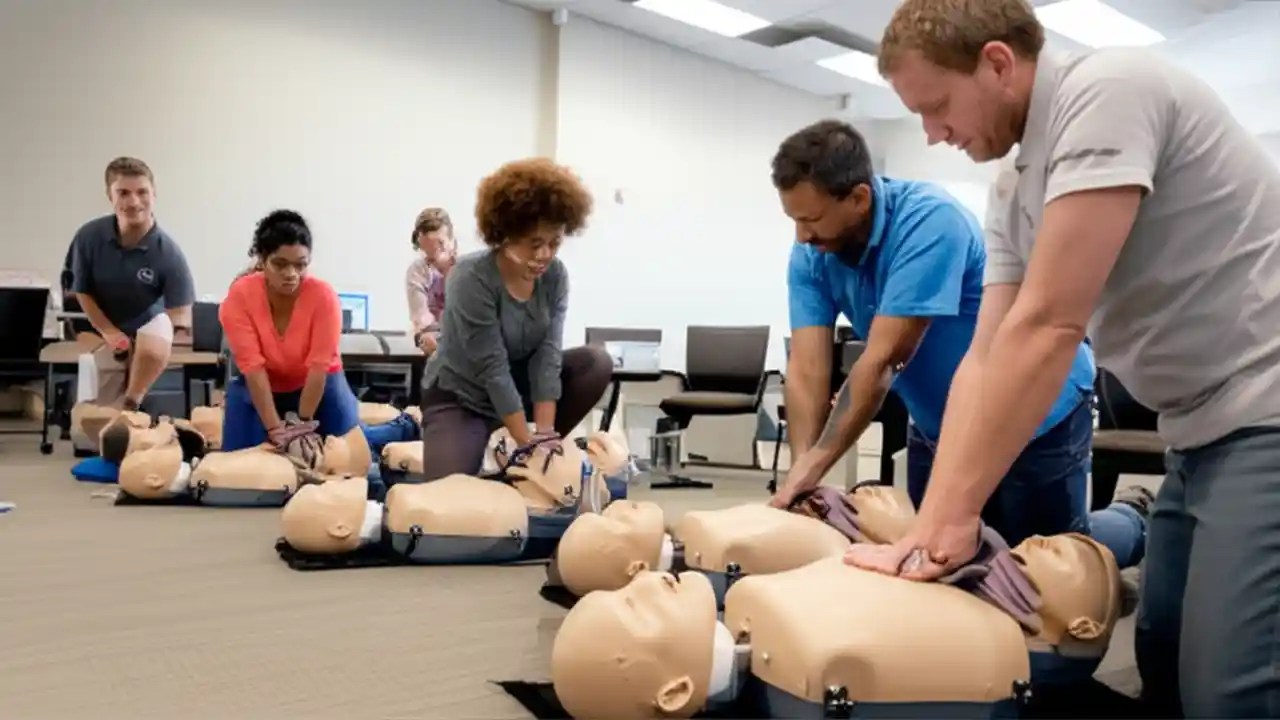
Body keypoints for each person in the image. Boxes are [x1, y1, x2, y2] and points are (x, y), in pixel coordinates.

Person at [846, 1, 1280, 716]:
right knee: (1162, 655)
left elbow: (1048, 325)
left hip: (1265, 415)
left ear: (996, 63)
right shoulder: (1016, 188)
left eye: (937, 107)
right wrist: (930, 524)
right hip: (1196, 434)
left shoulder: (1110, 89)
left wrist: (954, 520)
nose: (933, 132)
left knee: (1229, 692)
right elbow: (984, 357)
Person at [770, 120, 1147, 564]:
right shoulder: (812, 254)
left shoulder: (928, 221)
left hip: (1037, 411)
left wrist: (818, 464)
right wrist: (801, 467)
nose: (802, 236)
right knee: (937, 557)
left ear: (858, 198)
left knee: (1044, 564)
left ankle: (1136, 519)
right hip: (940, 424)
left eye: (811, 219)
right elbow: (807, 369)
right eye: (794, 220)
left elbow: (884, 360)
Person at [418, 158, 613, 481]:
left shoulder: (554, 277)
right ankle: (511, 450)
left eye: (554, 243)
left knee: (595, 363)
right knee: (449, 496)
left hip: (517, 384)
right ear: (505, 235)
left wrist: (544, 436)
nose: (544, 255)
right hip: (462, 394)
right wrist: (526, 445)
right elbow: (491, 367)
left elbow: (548, 356)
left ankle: (523, 456)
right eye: (534, 244)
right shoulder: (469, 277)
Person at [218, 210, 362, 453]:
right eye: (280, 264)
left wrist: (302, 425)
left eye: (300, 265)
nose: (291, 274)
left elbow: (318, 369)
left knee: (348, 455)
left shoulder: (324, 297)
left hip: (320, 383)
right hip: (263, 384)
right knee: (238, 459)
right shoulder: (240, 297)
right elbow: (253, 369)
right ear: (262, 260)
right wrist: (275, 430)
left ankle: (401, 427)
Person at [67, 156, 195, 410]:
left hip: (149, 338)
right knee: (98, 415)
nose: (134, 202)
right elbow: (82, 290)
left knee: (153, 334)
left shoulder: (168, 254)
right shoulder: (89, 237)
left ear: (154, 194)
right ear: (109, 195)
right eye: (123, 193)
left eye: (142, 192)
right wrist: (109, 332)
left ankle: (131, 403)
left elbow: (180, 317)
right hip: (101, 333)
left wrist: (153, 348)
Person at [405, 207, 457, 356]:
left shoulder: (467, 269)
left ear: (451, 241)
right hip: (433, 340)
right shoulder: (418, 270)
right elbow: (421, 317)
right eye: (428, 253)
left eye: (440, 246)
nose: (435, 260)